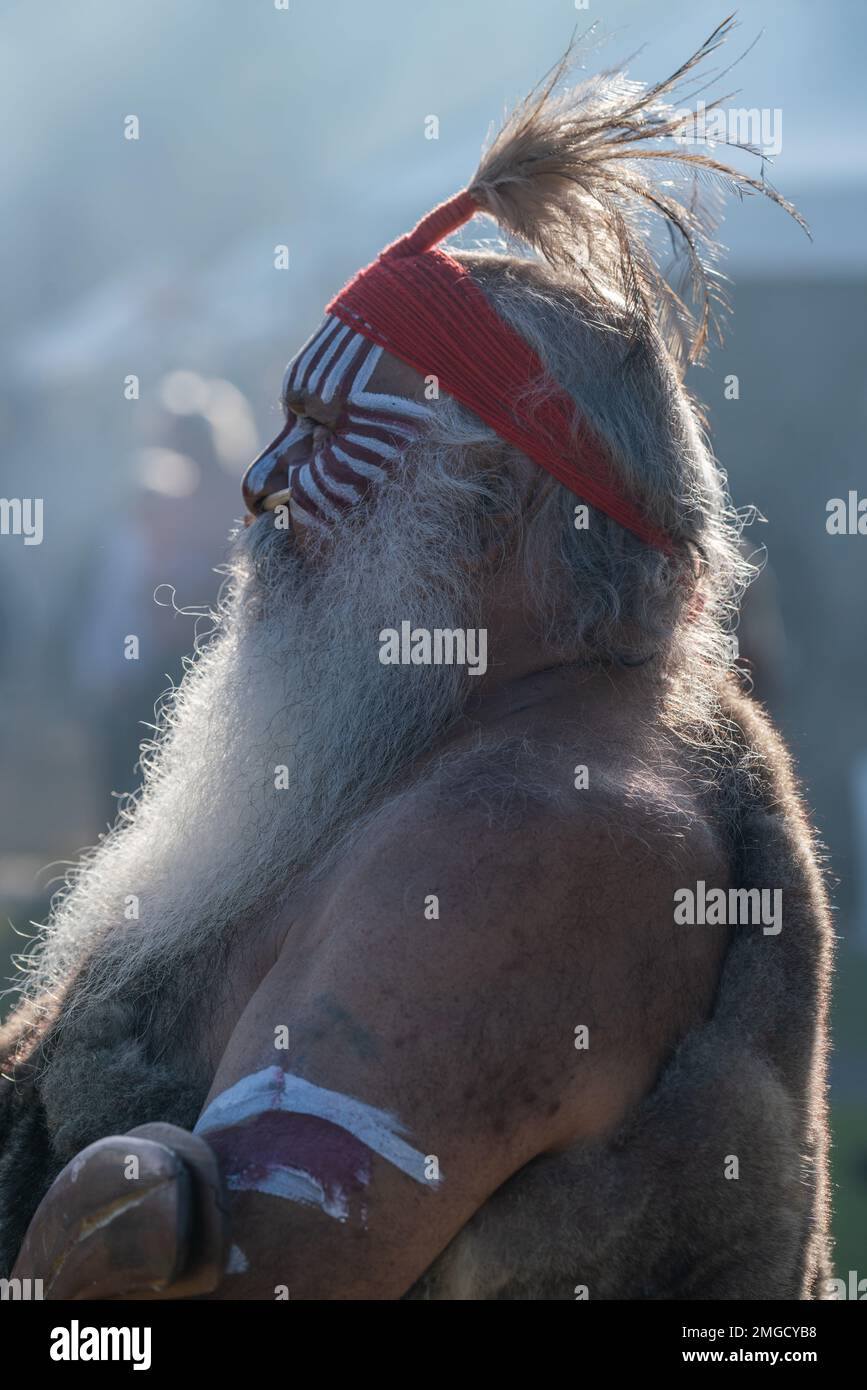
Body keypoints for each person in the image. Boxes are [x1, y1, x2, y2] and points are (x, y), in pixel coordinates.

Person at [0, 19, 833, 1300]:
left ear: (496, 500)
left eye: (329, 434)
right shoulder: (462, 748)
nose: (263, 486)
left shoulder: (524, 837)